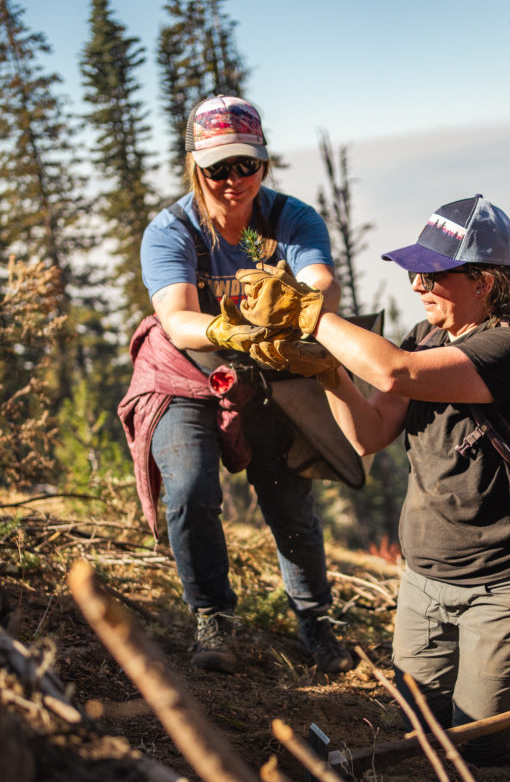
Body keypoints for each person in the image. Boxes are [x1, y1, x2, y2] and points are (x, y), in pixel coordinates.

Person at [235, 194, 510, 765]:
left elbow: (396, 373)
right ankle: (505, 701)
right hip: (425, 580)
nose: (416, 283)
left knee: (480, 742)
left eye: (432, 272)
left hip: (504, 585)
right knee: (422, 728)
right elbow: (367, 434)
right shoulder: (424, 336)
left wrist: (311, 315)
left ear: (485, 281)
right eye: (414, 270)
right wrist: (332, 374)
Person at [118, 94, 353, 676]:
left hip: (269, 370)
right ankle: (212, 617)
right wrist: (232, 330)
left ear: (263, 164)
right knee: (191, 489)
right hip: (184, 370)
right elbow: (176, 318)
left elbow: (322, 277)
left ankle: (314, 621)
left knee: (289, 496)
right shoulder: (171, 231)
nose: (233, 180)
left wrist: (305, 300)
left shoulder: (289, 218)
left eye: (245, 164)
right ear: (197, 166)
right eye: (218, 167)